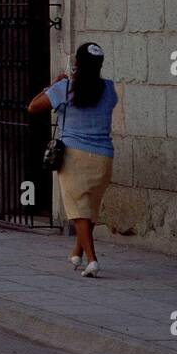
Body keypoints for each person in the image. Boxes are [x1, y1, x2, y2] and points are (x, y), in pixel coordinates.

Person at [29, 42, 118, 278]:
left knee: (78, 210)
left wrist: (53, 86)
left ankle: (92, 259)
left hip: (74, 156)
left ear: (76, 64)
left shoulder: (65, 88)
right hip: (103, 157)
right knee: (90, 208)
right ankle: (77, 253)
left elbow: (33, 107)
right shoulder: (109, 89)